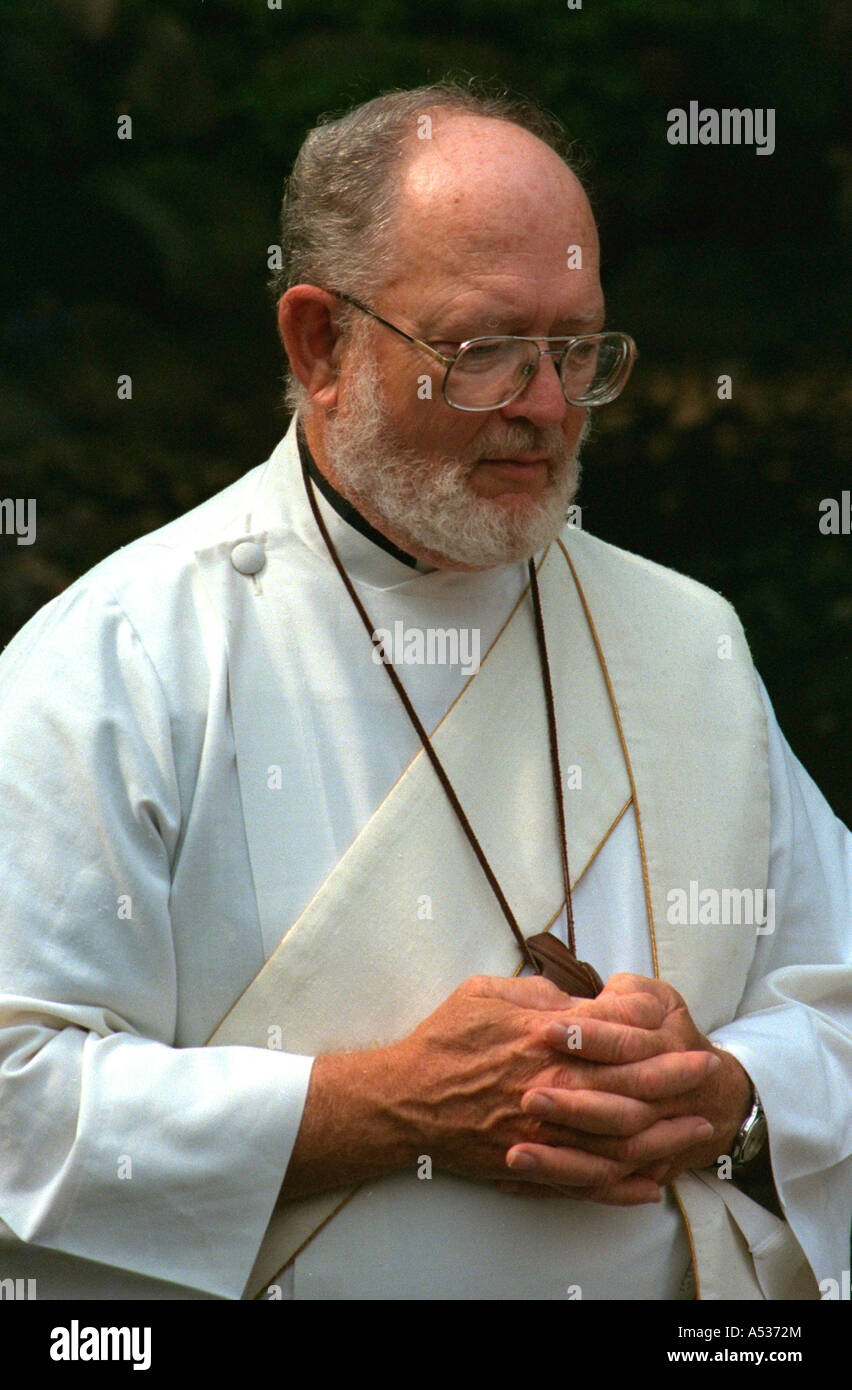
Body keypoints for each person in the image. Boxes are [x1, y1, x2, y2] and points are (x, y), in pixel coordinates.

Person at [0, 82, 849, 1303]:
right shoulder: (125, 654)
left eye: (577, 348)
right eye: (486, 350)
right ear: (318, 343)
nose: (549, 406)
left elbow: (837, 1003)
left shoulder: (686, 638)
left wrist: (732, 1093)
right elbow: (20, 1095)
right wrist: (389, 1103)